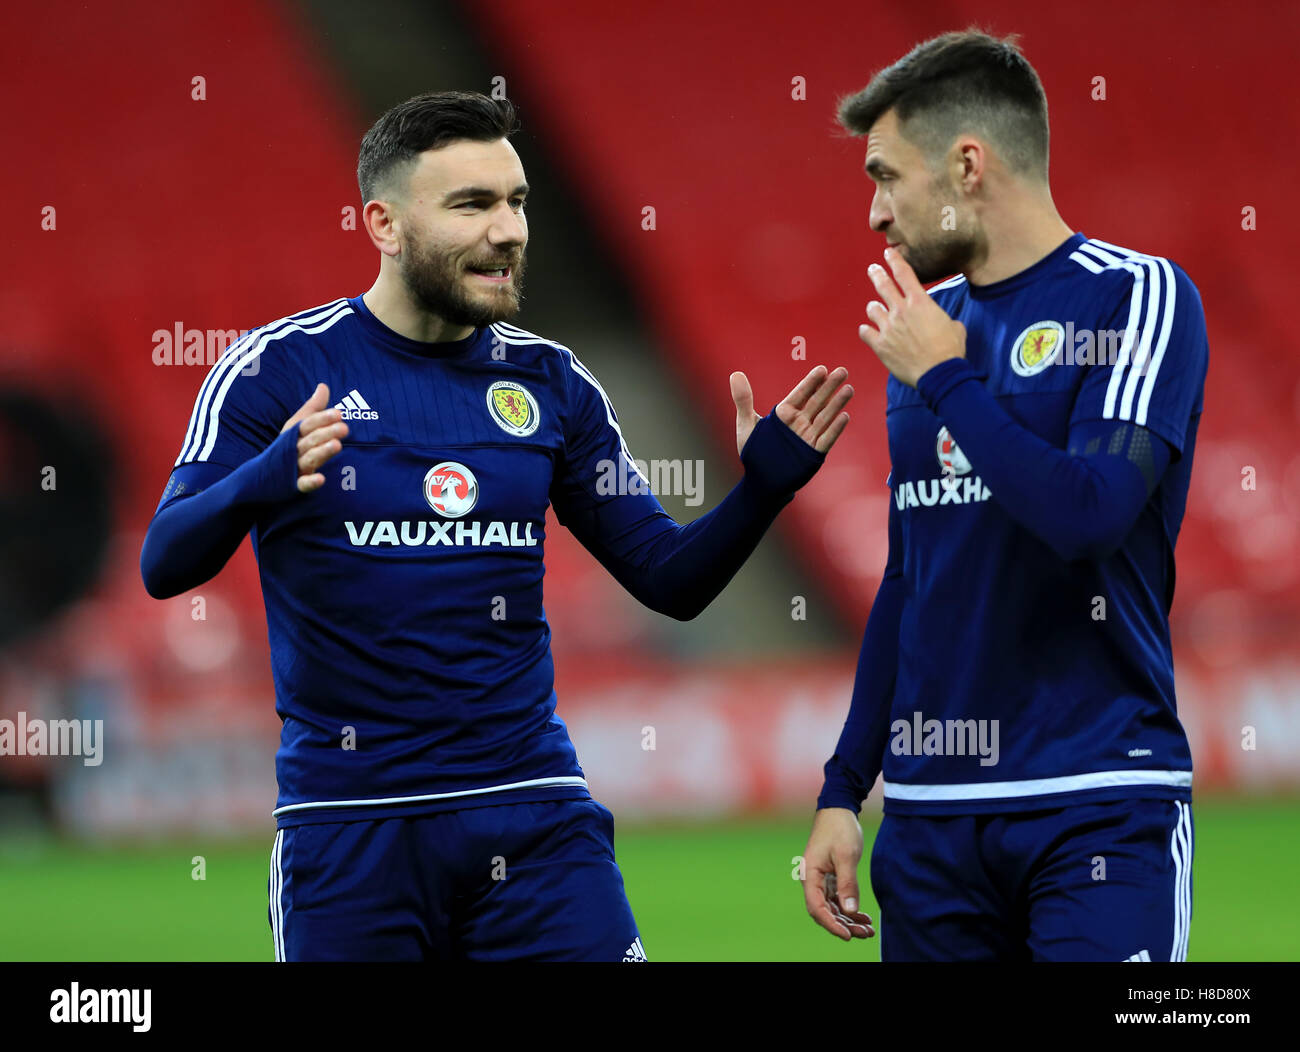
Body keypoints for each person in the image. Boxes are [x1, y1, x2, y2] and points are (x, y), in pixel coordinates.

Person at [140, 90, 853, 961]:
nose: (509, 230)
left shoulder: (552, 384)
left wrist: (762, 493)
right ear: (385, 224)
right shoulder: (277, 369)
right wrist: (261, 482)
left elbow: (670, 581)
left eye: (516, 202)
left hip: (536, 813)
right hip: (353, 825)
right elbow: (165, 563)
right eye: (473, 204)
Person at [801, 30, 1207, 961]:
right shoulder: (928, 333)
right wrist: (841, 787)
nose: (875, 213)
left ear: (968, 165)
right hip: (933, 826)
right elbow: (911, 582)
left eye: (887, 176)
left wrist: (948, 383)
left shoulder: (1136, 298)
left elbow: (1090, 515)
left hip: (1099, 802)